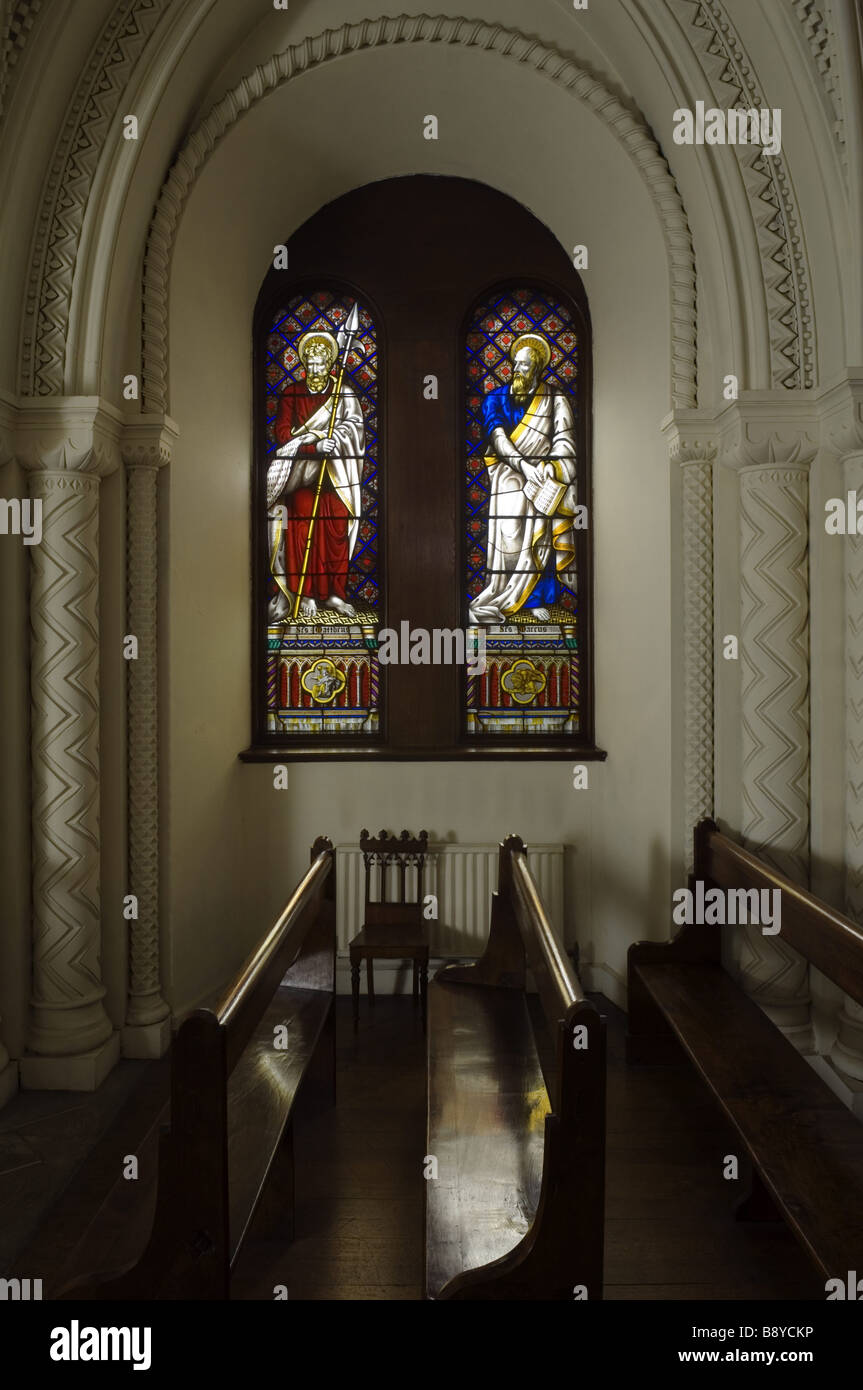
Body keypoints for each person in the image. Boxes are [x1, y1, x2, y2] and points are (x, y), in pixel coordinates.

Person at [469, 333, 577, 625]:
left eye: (525, 365)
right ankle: (506, 594)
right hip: (508, 479)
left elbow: (565, 441)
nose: (517, 370)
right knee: (510, 536)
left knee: (541, 537)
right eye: (515, 364)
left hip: (544, 479)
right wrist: (525, 467)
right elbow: (497, 437)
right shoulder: (496, 398)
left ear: (538, 368)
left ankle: (534, 599)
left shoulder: (554, 398)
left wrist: (550, 467)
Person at [266, 330, 364, 621]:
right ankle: (304, 593)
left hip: (336, 475)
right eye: (311, 363)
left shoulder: (343, 394)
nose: (316, 369)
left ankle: (333, 594)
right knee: (302, 532)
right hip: (302, 477)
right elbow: (283, 434)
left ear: (331, 364)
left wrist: (337, 439)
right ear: (304, 363)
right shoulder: (291, 394)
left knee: (335, 532)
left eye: (321, 364)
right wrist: (313, 443)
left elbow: (355, 428)